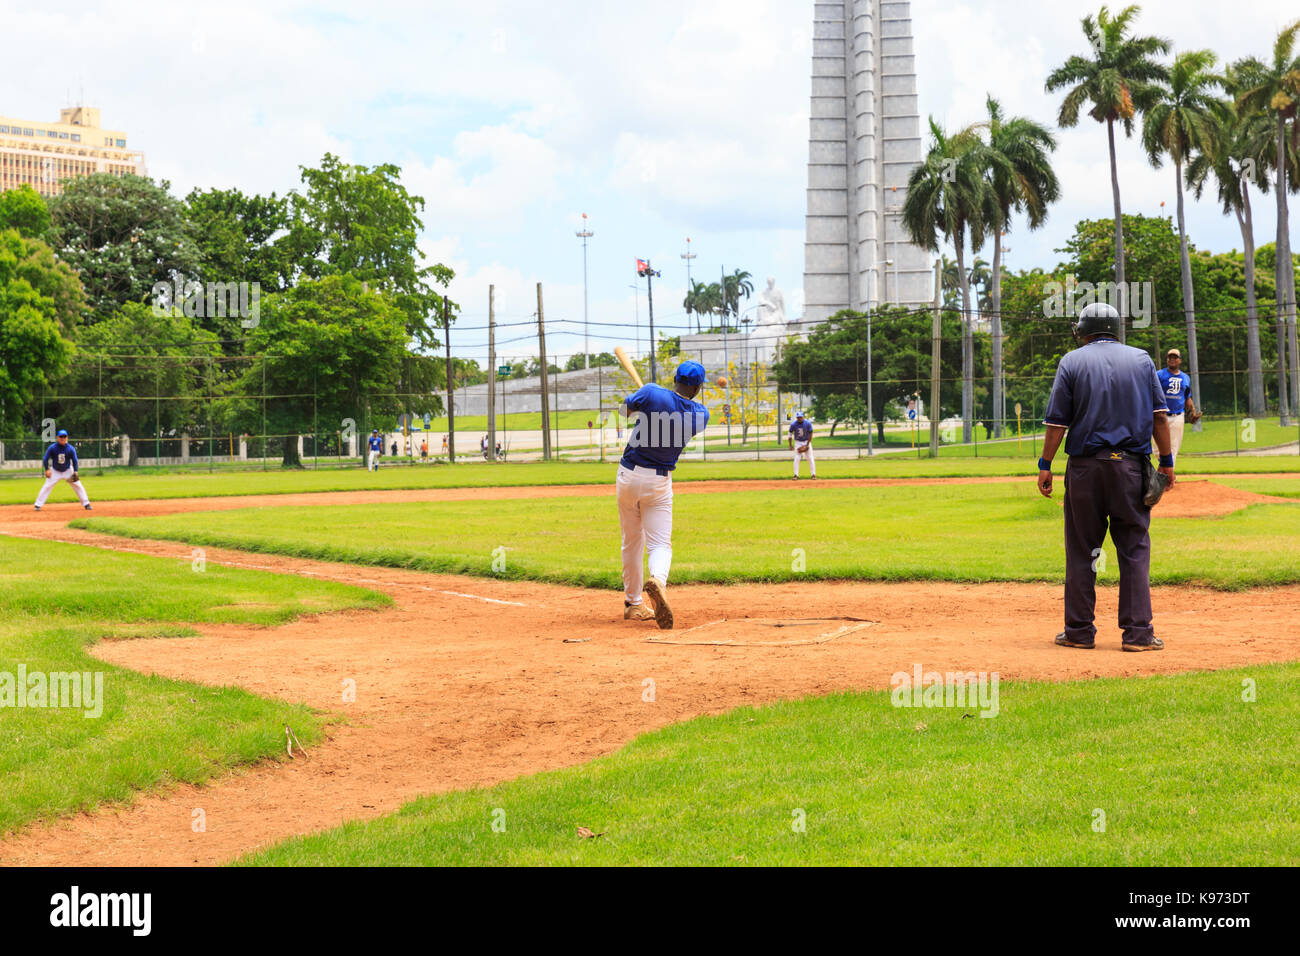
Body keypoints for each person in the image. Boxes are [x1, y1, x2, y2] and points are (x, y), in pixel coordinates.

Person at [1037, 302, 1175, 652]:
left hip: (1085, 469)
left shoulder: (1071, 361)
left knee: (1083, 550)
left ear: (1083, 330)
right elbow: (1160, 417)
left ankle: (1079, 632)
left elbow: (1057, 423)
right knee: (1133, 549)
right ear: (1116, 329)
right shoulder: (1142, 360)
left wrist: (1045, 463)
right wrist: (1168, 461)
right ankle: (1139, 634)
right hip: (1130, 468)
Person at [617, 360, 710, 629]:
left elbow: (623, 411)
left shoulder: (652, 392)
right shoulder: (700, 415)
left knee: (632, 541)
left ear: (675, 378)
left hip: (628, 476)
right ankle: (657, 579)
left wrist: (640, 402)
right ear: (697, 388)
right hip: (658, 482)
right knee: (659, 544)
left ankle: (633, 604)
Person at [34, 430, 92, 511]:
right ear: (57, 437)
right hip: (55, 471)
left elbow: (75, 460)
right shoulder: (52, 447)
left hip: (68, 470)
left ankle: (86, 504)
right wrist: (47, 469)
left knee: (78, 485)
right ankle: (38, 505)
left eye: (64, 436)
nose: (63, 438)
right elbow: (45, 458)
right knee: (47, 486)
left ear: (67, 438)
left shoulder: (70, 448)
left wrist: (75, 471)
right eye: (61, 436)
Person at [1156, 348, 1196, 464]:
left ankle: (1168, 476)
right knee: (1157, 448)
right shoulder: (1159, 375)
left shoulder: (1185, 378)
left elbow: (1187, 396)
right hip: (1160, 415)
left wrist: (1192, 410)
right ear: (1167, 360)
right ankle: (1165, 470)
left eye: (1175, 357)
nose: (1172, 359)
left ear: (1180, 361)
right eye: (1170, 357)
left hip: (1177, 416)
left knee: (1173, 447)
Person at [789, 411, 815, 479]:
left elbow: (811, 433)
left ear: (803, 417)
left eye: (800, 417)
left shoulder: (807, 423)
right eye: (798, 417)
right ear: (796, 418)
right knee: (797, 458)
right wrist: (790, 445)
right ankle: (796, 475)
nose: (799, 418)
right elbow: (790, 435)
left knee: (810, 458)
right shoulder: (793, 424)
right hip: (798, 442)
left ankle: (813, 474)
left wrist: (807, 444)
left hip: (806, 441)